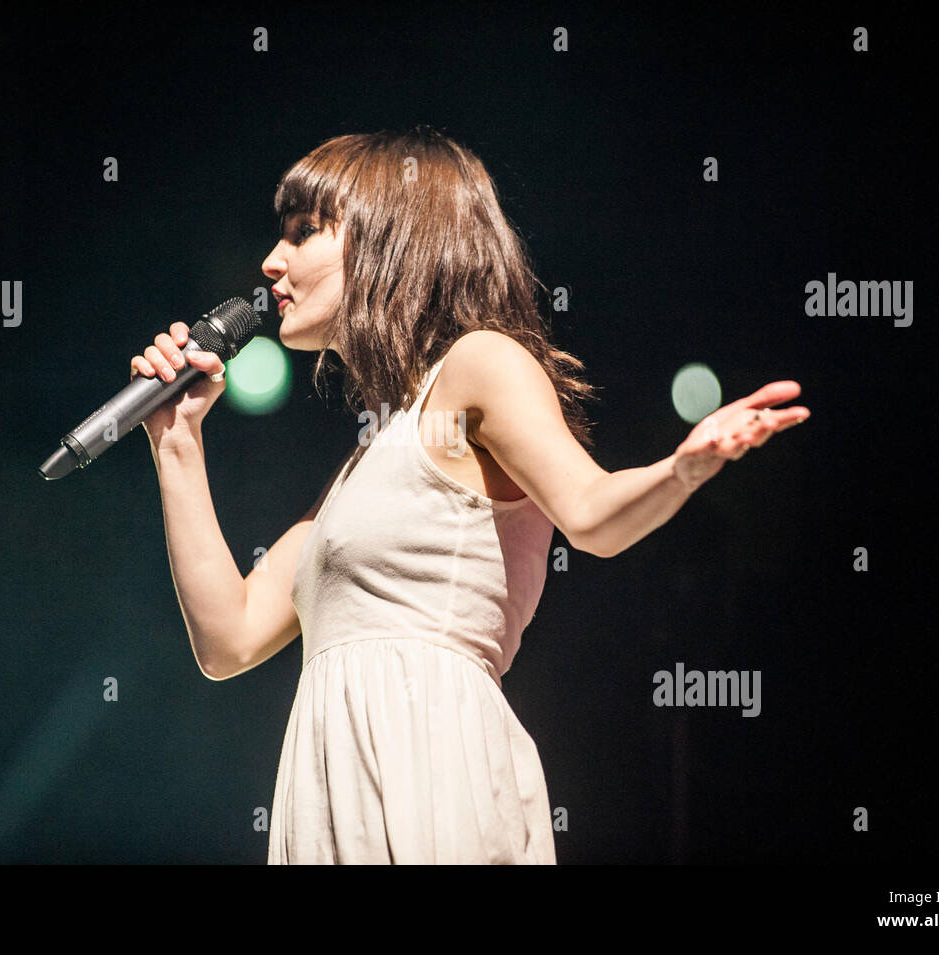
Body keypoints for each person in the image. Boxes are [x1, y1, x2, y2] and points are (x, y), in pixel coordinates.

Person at [128, 127, 810, 864]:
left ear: (391, 237)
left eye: (302, 232)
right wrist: (177, 442)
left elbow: (592, 514)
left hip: (429, 762)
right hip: (335, 795)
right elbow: (228, 639)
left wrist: (681, 467)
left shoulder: (478, 364)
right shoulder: (362, 466)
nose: (271, 261)